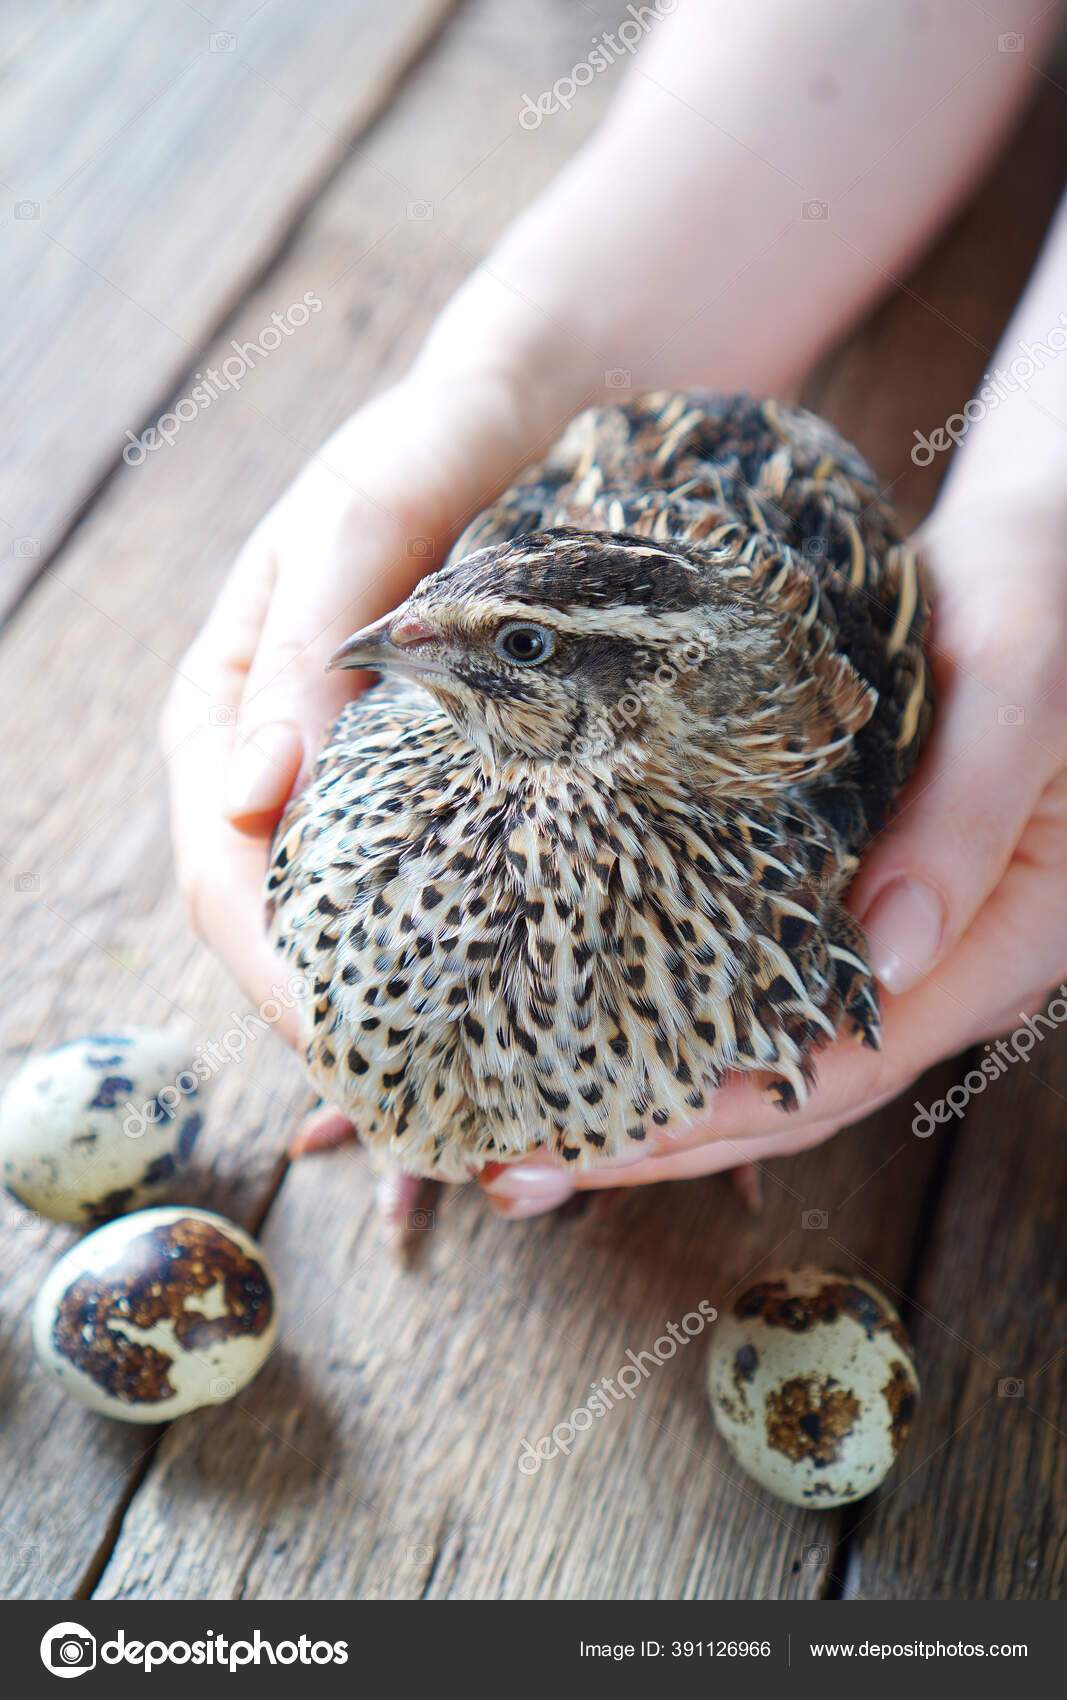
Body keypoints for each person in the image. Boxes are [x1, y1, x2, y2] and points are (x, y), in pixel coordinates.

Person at [161, 0, 1067, 1218]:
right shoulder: (396, 746)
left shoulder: (792, 840)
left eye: (521, 649)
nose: (389, 644)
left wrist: (1037, 525)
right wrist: (507, 372)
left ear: (646, 699)